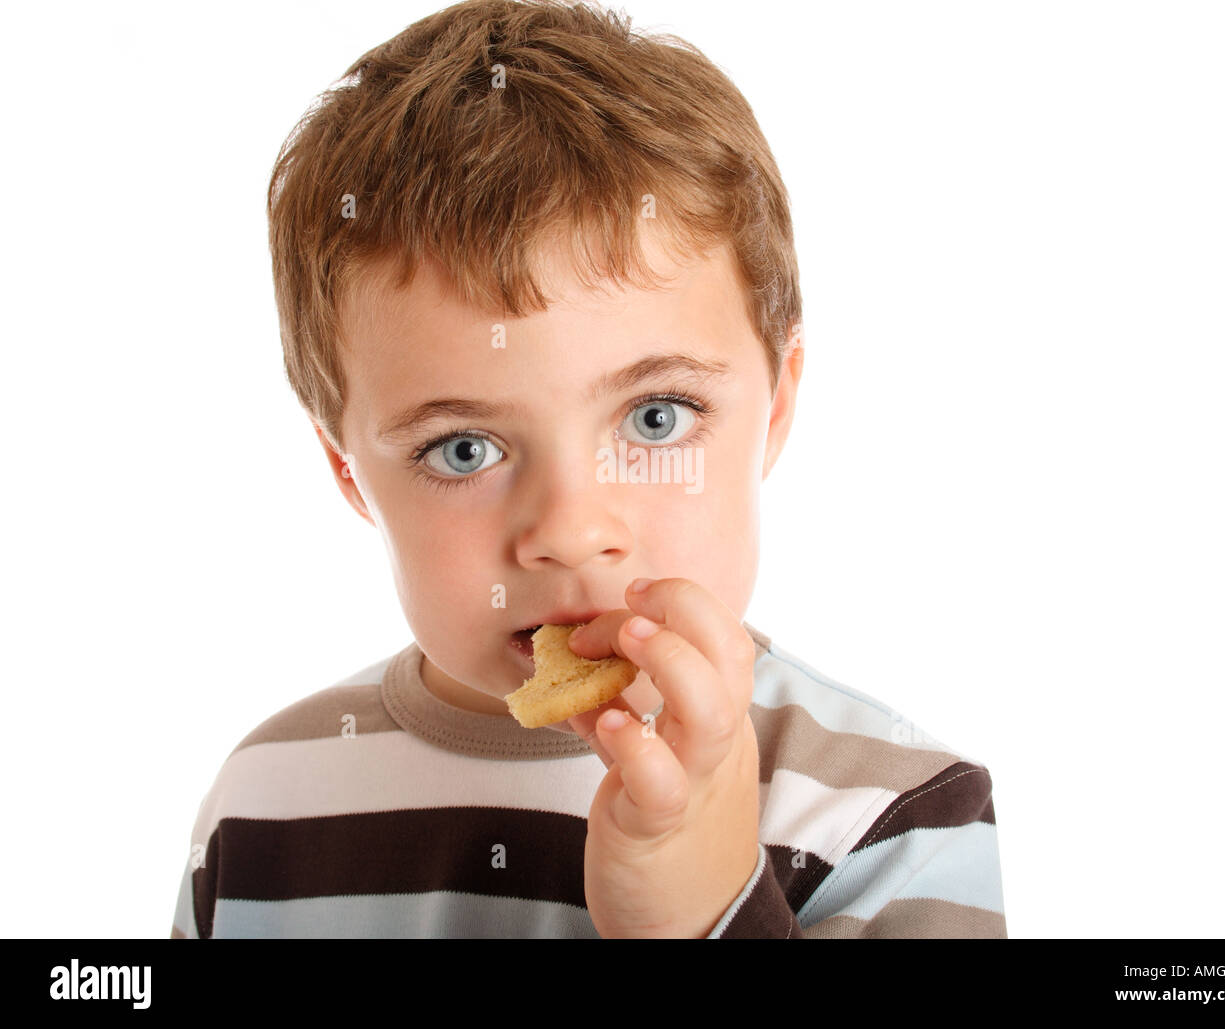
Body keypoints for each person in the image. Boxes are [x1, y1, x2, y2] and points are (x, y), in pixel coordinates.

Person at [171, 0, 1006, 938]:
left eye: (657, 418)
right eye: (463, 449)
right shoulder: (265, 808)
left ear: (773, 407)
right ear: (348, 470)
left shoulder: (890, 816)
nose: (569, 528)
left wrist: (705, 914)